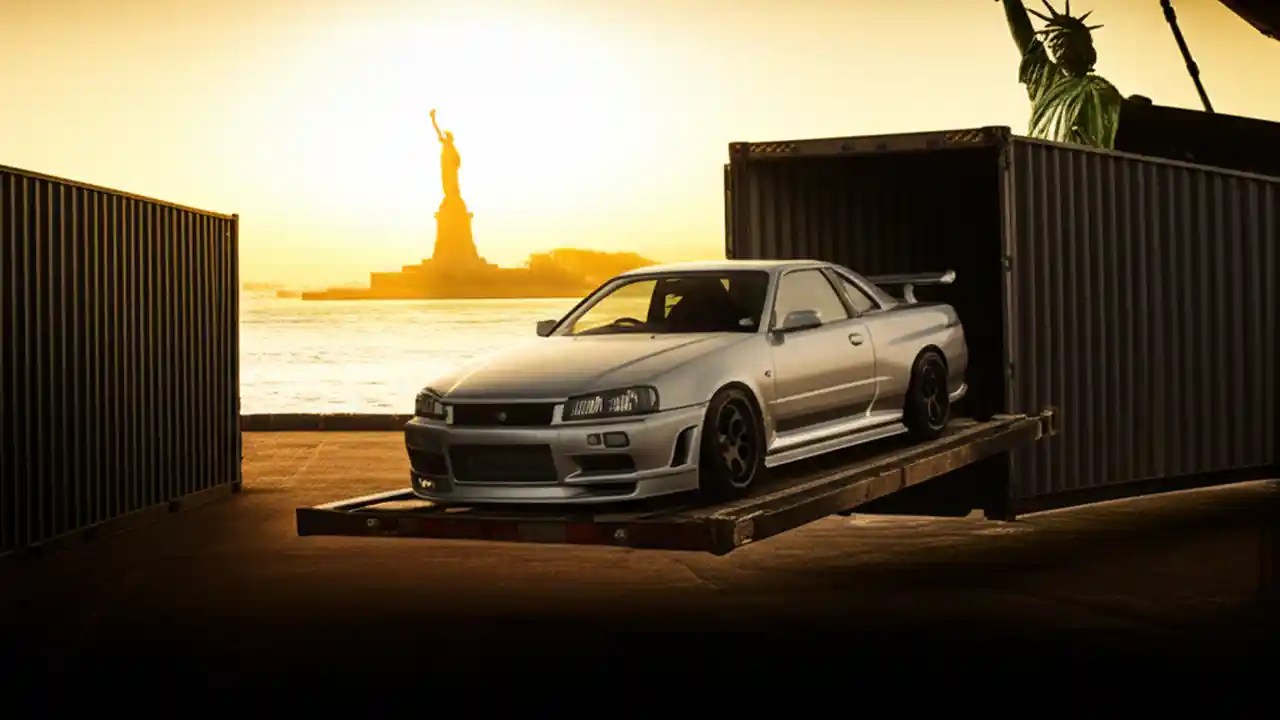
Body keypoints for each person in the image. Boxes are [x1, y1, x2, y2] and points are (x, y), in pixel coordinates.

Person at [996, 0, 1123, 149]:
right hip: (1045, 161)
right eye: (1056, 43)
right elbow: (1024, 37)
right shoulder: (1047, 81)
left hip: (1088, 164)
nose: (1061, 48)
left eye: (1067, 41)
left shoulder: (1102, 89)